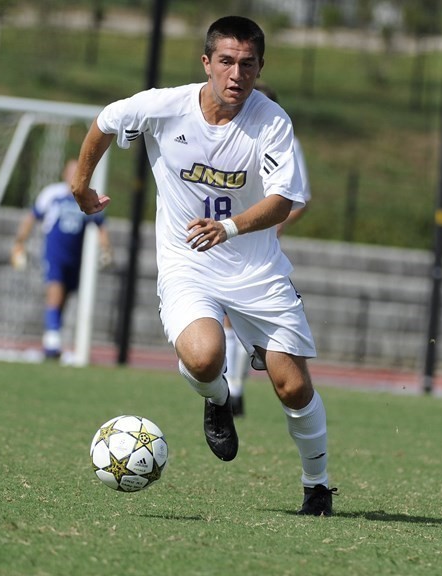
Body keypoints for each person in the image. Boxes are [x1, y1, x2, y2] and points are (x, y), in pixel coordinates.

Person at [70, 15, 335, 516]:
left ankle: (317, 485)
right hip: (187, 263)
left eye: (249, 64)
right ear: (207, 63)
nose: (237, 74)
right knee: (202, 356)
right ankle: (217, 400)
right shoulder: (165, 107)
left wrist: (230, 227)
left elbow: (282, 201)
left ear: (260, 67)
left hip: (257, 270)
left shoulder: (272, 121)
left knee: (292, 386)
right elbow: (106, 120)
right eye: (228, 62)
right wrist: (81, 185)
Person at [224, 80, 312, 417]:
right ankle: (229, 391)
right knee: (221, 318)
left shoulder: (284, 139)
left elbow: (298, 198)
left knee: (243, 320)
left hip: (256, 249)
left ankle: (235, 388)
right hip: (223, 240)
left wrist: (270, 227)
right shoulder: (222, 135)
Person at [11, 159, 113, 360]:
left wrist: (106, 249)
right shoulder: (53, 194)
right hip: (54, 253)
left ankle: (53, 340)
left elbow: (100, 224)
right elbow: (32, 217)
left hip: (76, 257)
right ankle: (51, 343)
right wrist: (19, 243)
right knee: (55, 292)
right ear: (65, 174)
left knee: (64, 298)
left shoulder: (86, 197)